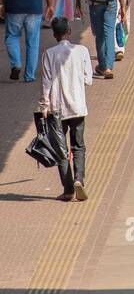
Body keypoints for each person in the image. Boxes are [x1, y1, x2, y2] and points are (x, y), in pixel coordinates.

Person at [39, 16, 92, 201]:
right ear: (69, 31)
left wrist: (44, 106)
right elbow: (88, 79)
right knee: (78, 146)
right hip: (78, 107)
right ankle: (79, 179)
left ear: (54, 35)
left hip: (57, 110)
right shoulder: (82, 51)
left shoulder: (49, 54)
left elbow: (46, 83)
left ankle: (68, 190)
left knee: (61, 150)